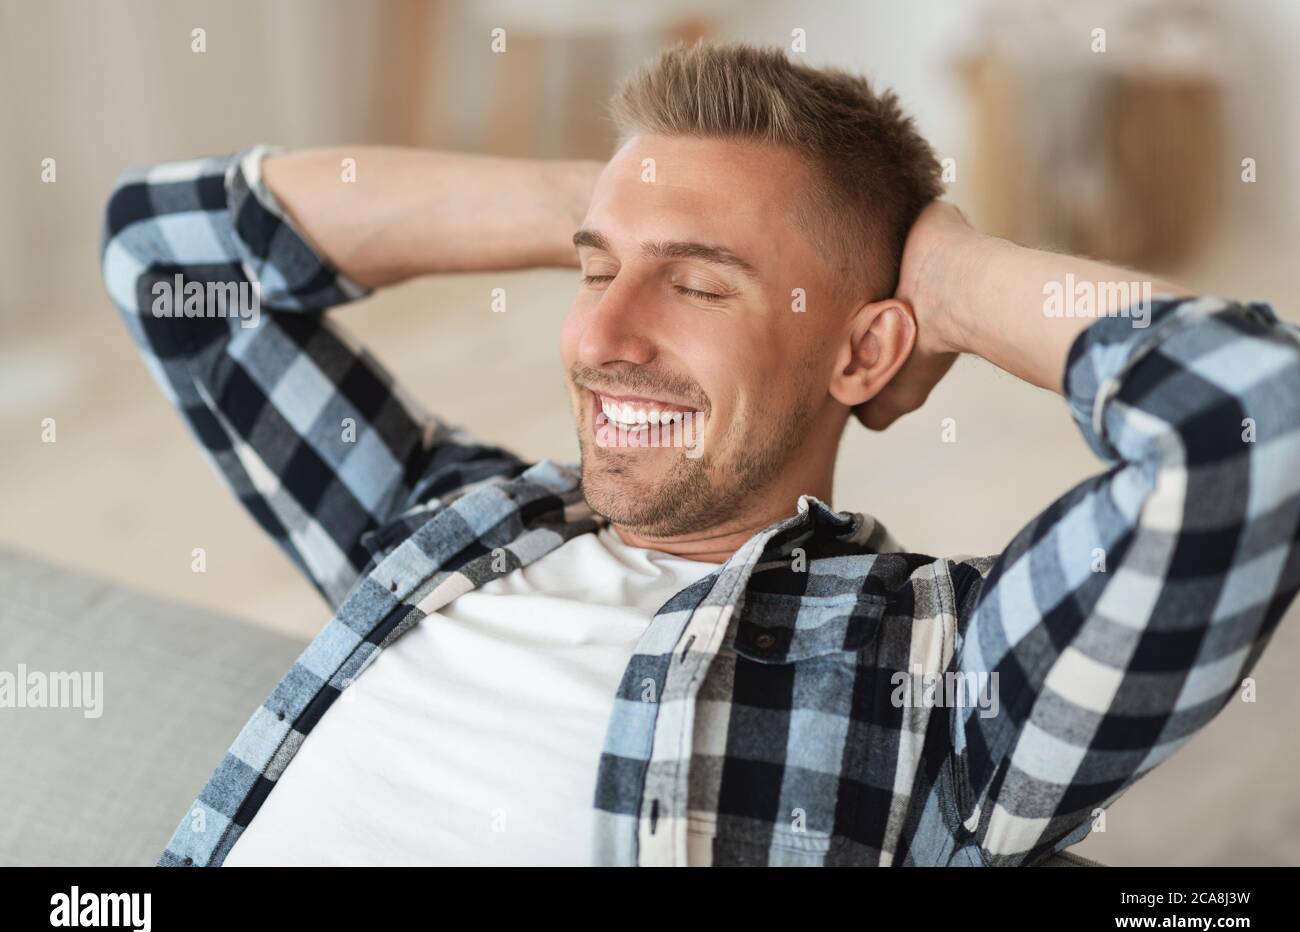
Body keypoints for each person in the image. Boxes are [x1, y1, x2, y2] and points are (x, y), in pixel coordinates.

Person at [100, 41, 1300, 866]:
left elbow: (1255, 423)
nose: (602, 337)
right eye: (592, 268)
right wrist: (619, 196)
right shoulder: (451, 522)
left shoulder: (939, 668)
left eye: (696, 283)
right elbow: (169, 257)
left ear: (865, 352)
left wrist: (945, 275)